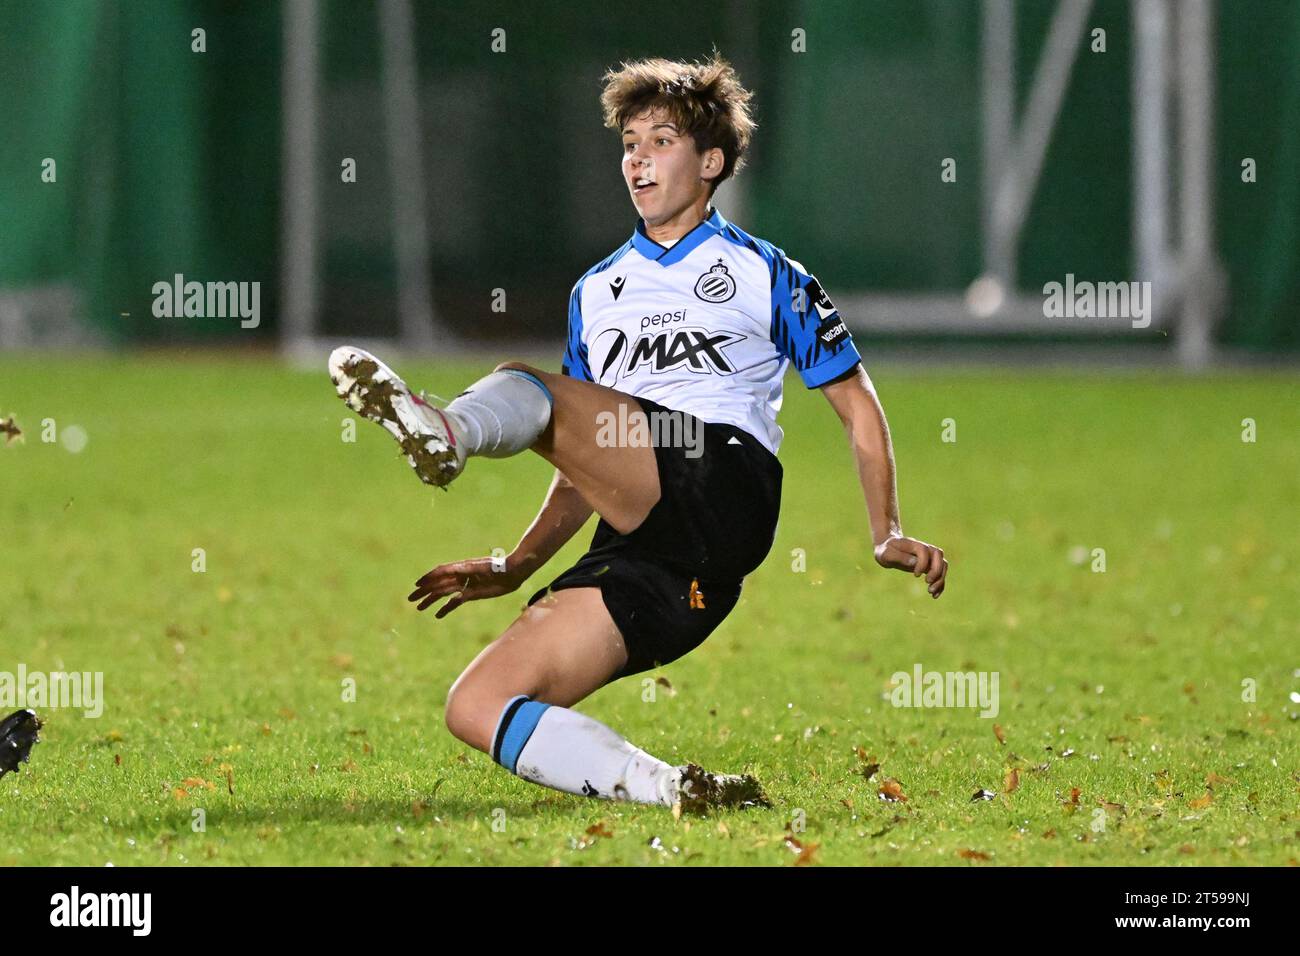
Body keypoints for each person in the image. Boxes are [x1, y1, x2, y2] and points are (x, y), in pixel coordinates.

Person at [327, 53, 948, 813]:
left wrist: (886, 532)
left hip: (721, 479)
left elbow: (858, 404)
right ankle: (672, 788)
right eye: (629, 142)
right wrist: (517, 564)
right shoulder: (595, 291)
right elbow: (585, 463)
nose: (637, 159)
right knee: (477, 704)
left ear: (711, 161)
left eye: (660, 140)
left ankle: (450, 431)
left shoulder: (764, 271)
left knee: (531, 387)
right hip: (667, 562)